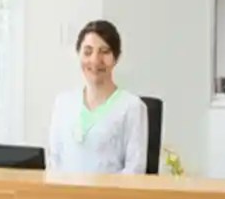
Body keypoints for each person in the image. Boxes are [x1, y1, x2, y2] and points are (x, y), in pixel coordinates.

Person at [47, 20, 149, 174]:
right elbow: (53, 161)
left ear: (116, 57)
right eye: (88, 52)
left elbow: (134, 170)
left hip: (111, 197)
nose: (95, 60)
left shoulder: (132, 107)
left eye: (105, 51)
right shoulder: (63, 103)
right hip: (65, 195)